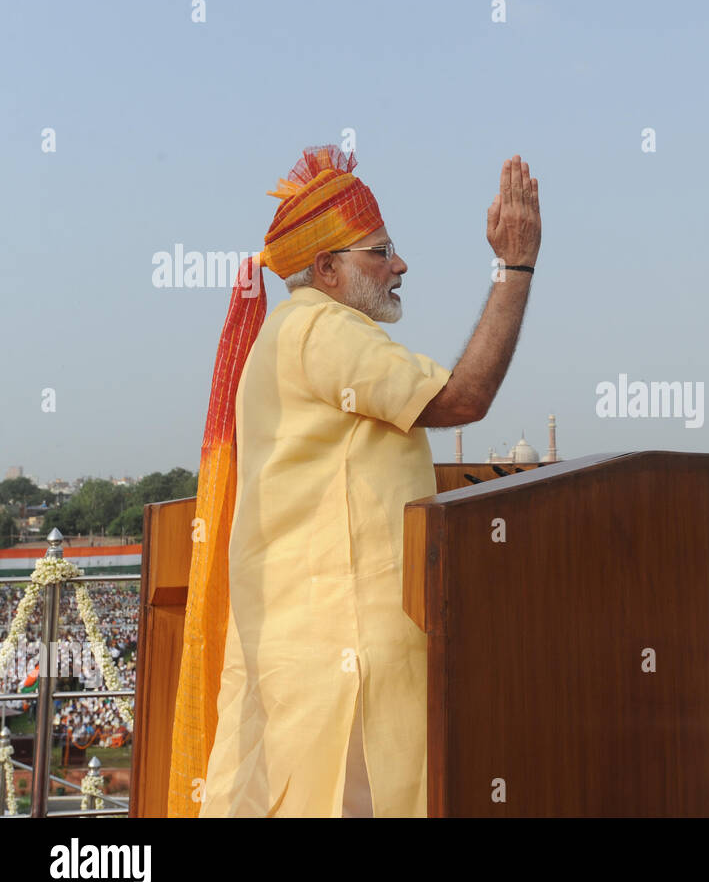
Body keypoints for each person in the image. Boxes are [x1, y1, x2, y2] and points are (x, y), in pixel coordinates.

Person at [176, 146, 542, 818]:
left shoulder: (292, 334)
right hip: (342, 669)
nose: (399, 265)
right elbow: (463, 398)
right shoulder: (323, 329)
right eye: (381, 251)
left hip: (311, 660)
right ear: (328, 269)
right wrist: (514, 266)